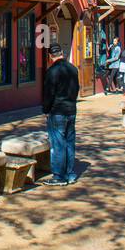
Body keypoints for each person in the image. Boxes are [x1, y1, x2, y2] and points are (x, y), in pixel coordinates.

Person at [40, 43, 81, 186]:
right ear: (62, 53)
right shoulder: (73, 69)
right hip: (71, 109)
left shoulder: (52, 71)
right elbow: (76, 88)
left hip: (57, 111)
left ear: (50, 56)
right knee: (69, 142)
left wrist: (46, 110)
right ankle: (70, 174)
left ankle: (59, 176)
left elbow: (48, 93)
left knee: (58, 144)